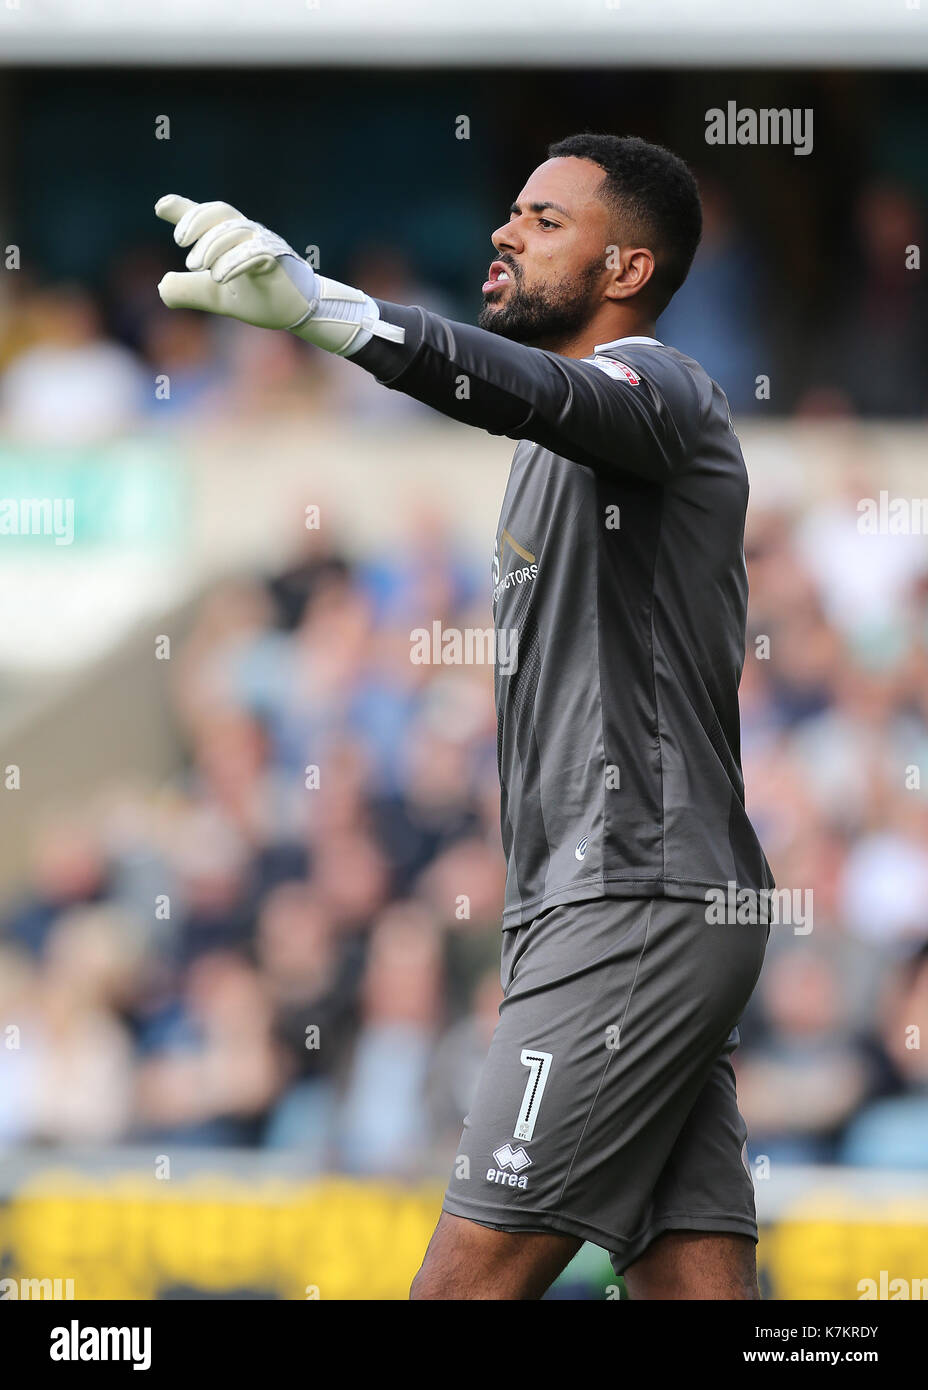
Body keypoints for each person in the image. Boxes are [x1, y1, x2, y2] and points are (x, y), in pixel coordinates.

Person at [154, 132, 774, 1300]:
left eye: (544, 220)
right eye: (513, 210)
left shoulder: (664, 390)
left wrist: (329, 312)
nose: (504, 230)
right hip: (605, 907)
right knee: (697, 1287)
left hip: (629, 899)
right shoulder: (557, 450)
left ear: (626, 268)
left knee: (460, 1289)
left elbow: (524, 386)